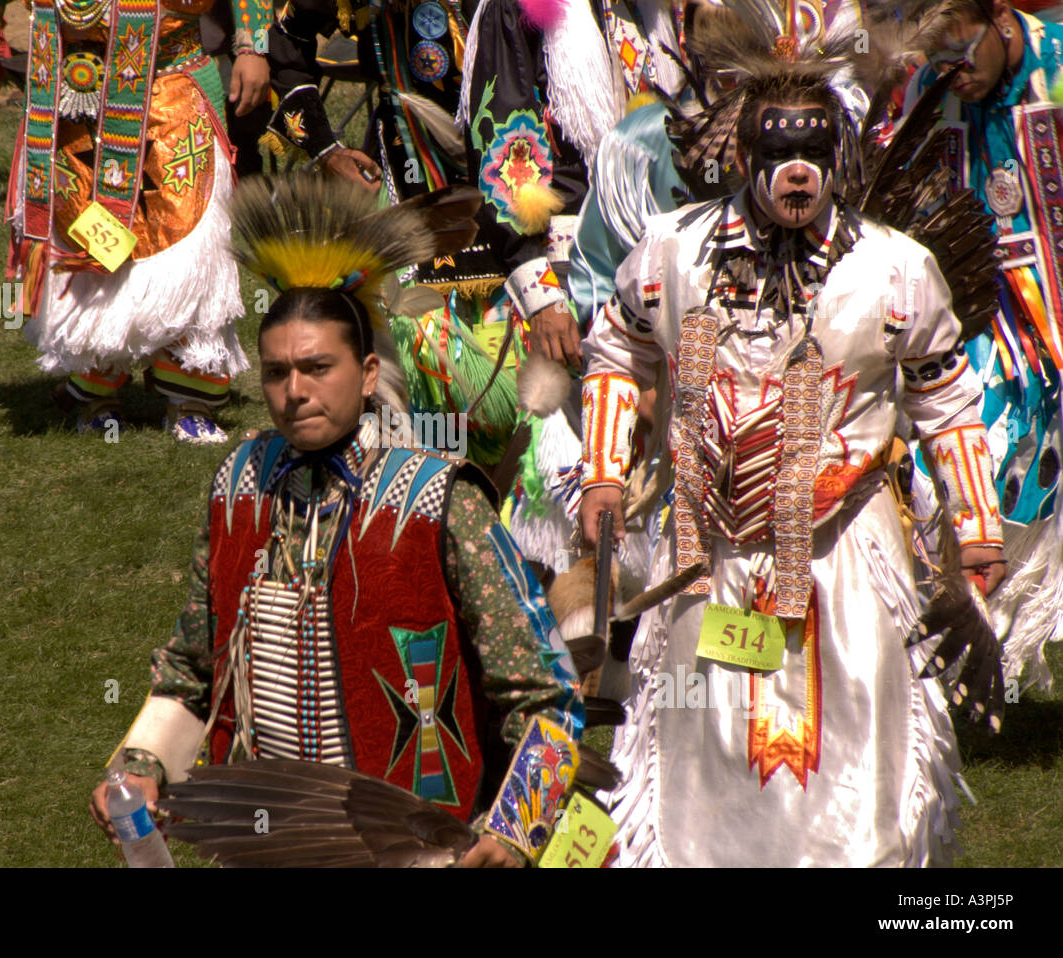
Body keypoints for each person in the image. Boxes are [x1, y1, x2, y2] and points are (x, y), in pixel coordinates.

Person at [578, 1, 1006, 866]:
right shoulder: (671, 255)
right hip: (704, 568)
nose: (799, 173)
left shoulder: (893, 270)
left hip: (845, 562)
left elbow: (948, 401)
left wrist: (978, 537)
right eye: (779, 153)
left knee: (861, 776)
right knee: (699, 758)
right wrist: (602, 474)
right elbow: (614, 346)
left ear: (841, 153)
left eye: (815, 152)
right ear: (743, 153)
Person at [89, 176, 585, 866]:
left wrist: (512, 832)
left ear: (368, 369)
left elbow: (546, 694)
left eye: (318, 367)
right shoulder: (240, 487)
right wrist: (141, 763)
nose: (295, 392)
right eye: (276, 373)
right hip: (258, 844)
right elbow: (191, 668)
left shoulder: (440, 499)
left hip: (411, 848)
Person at [0, 0, 272, 443]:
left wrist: (253, 45)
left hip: (173, 80)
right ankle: (95, 391)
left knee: (191, 237)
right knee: (82, 236)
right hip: (71, 87)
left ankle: (190, 397)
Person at [904, 0, 1063, 689]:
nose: (953, 76)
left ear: (1000, 18)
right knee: (959, 469)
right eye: (938, 62)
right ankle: (965, 636)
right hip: (975, 320)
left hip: (1053, 315)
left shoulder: (1058, 66)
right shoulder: (925, 96)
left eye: (963, 54)